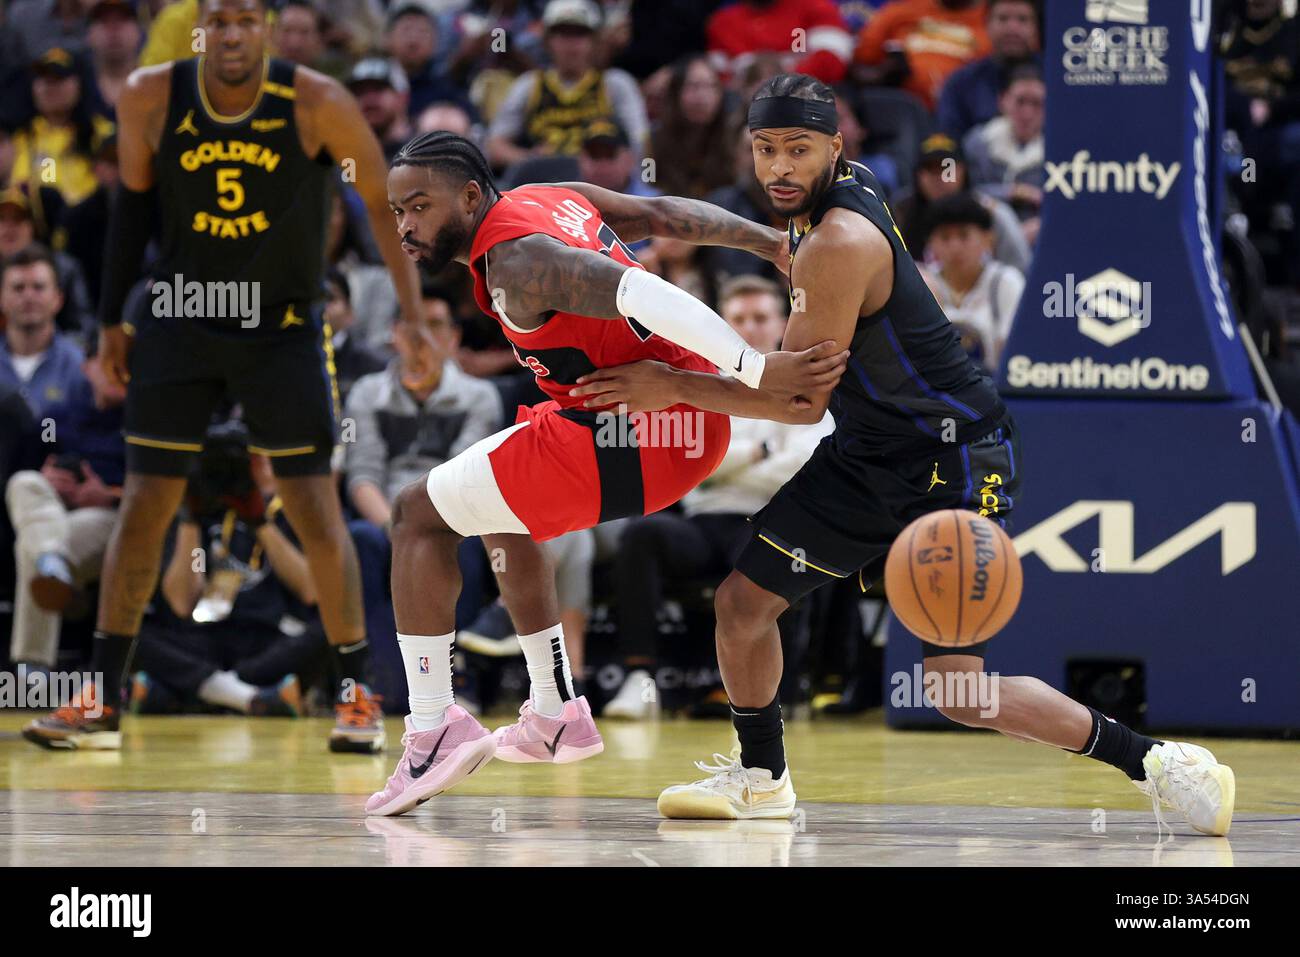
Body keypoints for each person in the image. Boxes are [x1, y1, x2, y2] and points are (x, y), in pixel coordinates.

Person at [570, 74, 1236, 837]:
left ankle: (1159, 763)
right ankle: (763, 779)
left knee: (956, 690)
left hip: (955, 460)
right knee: (742, 605)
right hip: (870, 451)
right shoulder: (820, 204)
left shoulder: (837, 242)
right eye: (764, 150)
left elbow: (797, 401)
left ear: (836, 147)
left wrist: (668, 383)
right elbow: (672, 214)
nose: (779, 166)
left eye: (797, 149)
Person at [365, 129, 846, 815]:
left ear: (471, 196)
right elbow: (657, 215)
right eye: (397, 212)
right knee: (492, 499)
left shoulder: (518, 262)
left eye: (419, 207)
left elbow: (645, 293)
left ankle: (432, 727)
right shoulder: (547, 200)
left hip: (639, 432)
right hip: (670, 422)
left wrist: (755, 369)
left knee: (415, 514)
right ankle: (555, 709)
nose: (407, 226)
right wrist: (768, 242)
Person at [21, 0, 429, 755]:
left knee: (311, 503)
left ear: (268, 26)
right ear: (199, 25)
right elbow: (131, 215)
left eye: (247, 18)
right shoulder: (149, 94)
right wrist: (114, 320)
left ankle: (356, 692)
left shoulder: (316, 101)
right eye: (220, 18)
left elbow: (381, 202)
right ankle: (103, 696)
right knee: (146, 502)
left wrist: (411, 316)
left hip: (281, 327)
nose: (233, 33)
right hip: (181, 319)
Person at [604, 275, 834, 720]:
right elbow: (680, 460)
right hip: (700, 522)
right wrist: (760, 451)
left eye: (760, 317)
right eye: (738, 319)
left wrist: (721, 464)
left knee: (765, 550)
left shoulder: (805, 385)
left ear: (782, 323)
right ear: (722, 325)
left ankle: (756, 691)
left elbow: (803, 466)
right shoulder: (696, 382)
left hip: (764, 517)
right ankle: (639, 679)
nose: (750, 327)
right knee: (642, 535)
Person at [5, 336, 125, 673]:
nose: (119, 372)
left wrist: (109, 493)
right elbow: (32, 460)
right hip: (54, 511)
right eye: (109, 362)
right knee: (24, 483)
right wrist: (49, 474)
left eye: (127, 364)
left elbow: (162, 492)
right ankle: (53, 564)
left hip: (113, 520)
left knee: (32, 543)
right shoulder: (55, 418)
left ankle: (32, 668)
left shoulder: (145, 423)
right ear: (86, 367)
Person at [485, 0, 648, 168]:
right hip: (545, 181)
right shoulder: (529, 85)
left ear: (594, 41)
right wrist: (530, 159)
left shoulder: (616, 84)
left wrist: (611, 165)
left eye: (579, 34)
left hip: (601, 181)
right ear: (547, 41)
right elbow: (494, 146)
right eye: (563, 34)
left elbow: (641, 141)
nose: (571, 44)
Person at [919, 192, 1023, 373]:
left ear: (988, 239)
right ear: (931, 243)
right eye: (944, 237)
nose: (955, 247)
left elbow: (1018, 352)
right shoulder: (922, 283)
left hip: (995, 391)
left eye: (964, 236)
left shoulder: (1005, 282)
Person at [0, 243, 86, 418]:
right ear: (2, 298)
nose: (28, 297)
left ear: (58, 298)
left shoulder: (80, 368)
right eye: (18, 288)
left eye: (38, 287)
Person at [936, 0, 1040, 140]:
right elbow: (948, 143)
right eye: (1003, 18)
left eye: (1022, 19)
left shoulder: (1059, 79)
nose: (1012, 28)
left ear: (1036, 28)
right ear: (987, 25)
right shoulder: (961, 83)